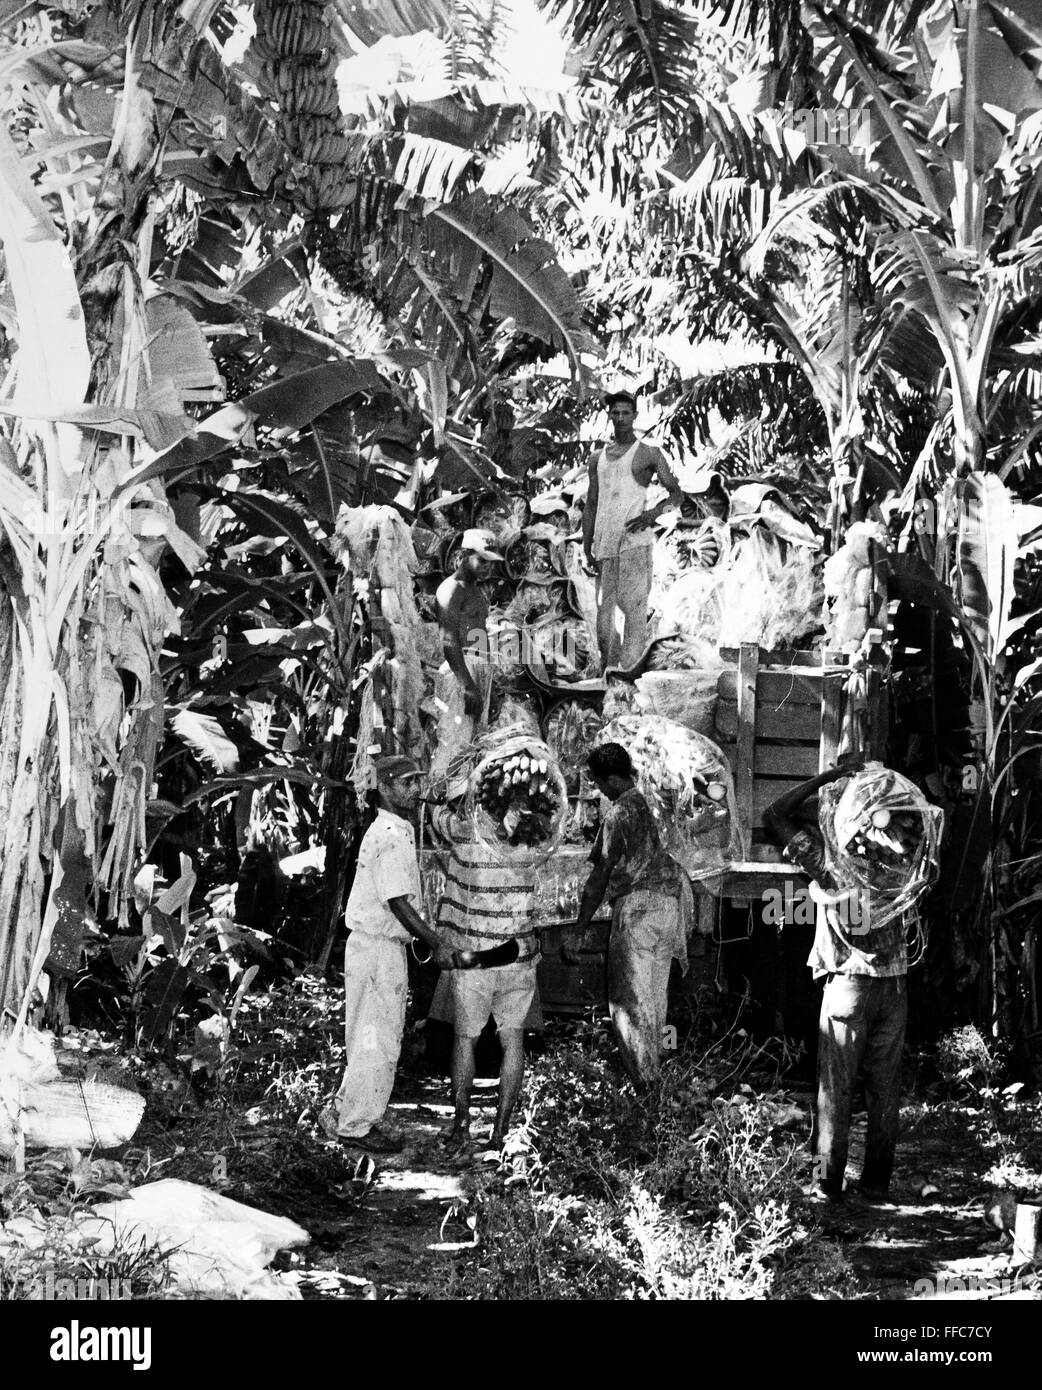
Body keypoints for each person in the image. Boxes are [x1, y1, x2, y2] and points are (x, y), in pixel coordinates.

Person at [764, 758, 919, 1204]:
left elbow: (775, 813)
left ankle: (825, 1182)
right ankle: (876, 1185)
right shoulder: (905, 863)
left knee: (834, 1089)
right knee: (884, 1089)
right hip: (894, 986)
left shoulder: (833, 864)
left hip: (849, 986)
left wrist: (830, 777)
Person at [326, 755, 462, 1154]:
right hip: (377, 949)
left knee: (370, 1033)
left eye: (417, 781)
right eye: (407, 783)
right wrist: (435, 941)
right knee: (376, 1039)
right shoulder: (389, 833)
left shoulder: (395, 829)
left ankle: (346, 1112)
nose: (415, 789)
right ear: (384, 788)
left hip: (378, 948)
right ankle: (357, 1126)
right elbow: (398, 902)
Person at [568, 742, 694, 1087]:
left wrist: (579, 928)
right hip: (669, 908)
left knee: (629, 1004)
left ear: (611, 779)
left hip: (638, 910)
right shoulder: (657, 804)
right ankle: (659, 1074)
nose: (599, 790)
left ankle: (647, 1087)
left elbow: (599, 877)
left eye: (597, 782)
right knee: (656, 999)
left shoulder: (619, 813)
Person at [427, 791, 542, 1152]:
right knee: (513, 1040)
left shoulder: (466, 834)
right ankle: (500, 1130)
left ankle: (462, 1127)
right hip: (519, 957)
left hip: (476, 959)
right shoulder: (535, 844)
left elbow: (436, 815)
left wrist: (450, 796)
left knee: (466, 1039)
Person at [581, 390, 690, 671]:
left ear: (635, 416)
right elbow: (592, 503)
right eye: (615, 413)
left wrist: (653, 514)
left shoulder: (648, 454)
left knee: (633, 613)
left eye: (625, 413)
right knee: (605, 617)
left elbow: (676, 496)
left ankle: (629, 678)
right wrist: (586, 544)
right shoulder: (597, 458)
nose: (620, 418)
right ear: (609, 416)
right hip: (605, 545)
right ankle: (609, 674)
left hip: (634, 545)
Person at [430, 529, 501, 782]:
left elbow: (478, 634)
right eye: (482, 561)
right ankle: (438, 800)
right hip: (461, 671)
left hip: (477, 668)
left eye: (491, 563)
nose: (487, 568)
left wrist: (488, 676)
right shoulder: (451, 589)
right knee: (454, 741)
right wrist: (467, 685)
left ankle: (458, 803)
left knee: (473, 745)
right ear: (463, 555)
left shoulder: (475, 591)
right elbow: (449, 640)